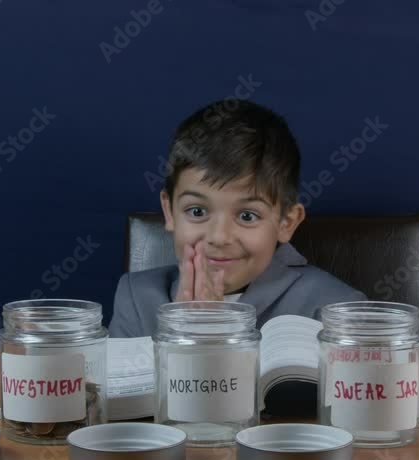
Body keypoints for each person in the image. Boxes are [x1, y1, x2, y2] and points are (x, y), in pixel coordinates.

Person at [109, 99, 365, 338]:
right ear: (170, 211)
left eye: (247, 216)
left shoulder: (334, 309)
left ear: (286, 222)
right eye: (197, 211)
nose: (219, 236)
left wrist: (215, 337)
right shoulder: (136, 298)